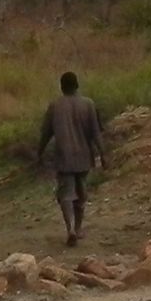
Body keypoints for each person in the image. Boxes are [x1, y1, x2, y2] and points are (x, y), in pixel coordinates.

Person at [35, 71, 106, 247]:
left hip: (63, 157)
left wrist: (39, 152)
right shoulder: (88, 104)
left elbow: (45, 133)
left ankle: (70, 229)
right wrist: (103, 155)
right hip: (83, 157)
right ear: (77, 85)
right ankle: (79, 228)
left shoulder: (55, 106)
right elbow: (96, 132)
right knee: (81, 193)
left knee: (66, 194)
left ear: (62, 87)